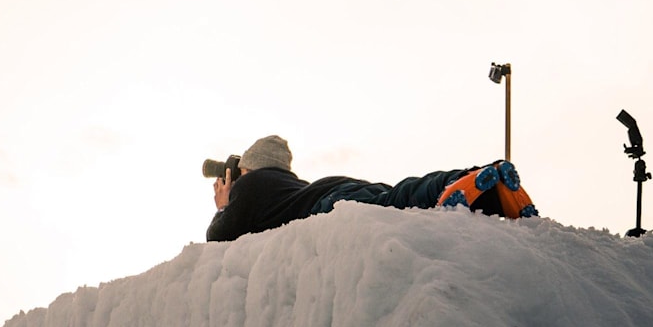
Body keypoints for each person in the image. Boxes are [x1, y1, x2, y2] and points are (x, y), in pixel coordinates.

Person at [205, 135, 537, 243]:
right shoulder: (287, 185)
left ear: (250, 167)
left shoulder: (249, 186)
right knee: (400, 196)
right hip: (343, 187)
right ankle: (474, 180)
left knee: (396, 200)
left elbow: (219, 237)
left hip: (331, 203)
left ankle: (469, 187)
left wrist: (223, 204)